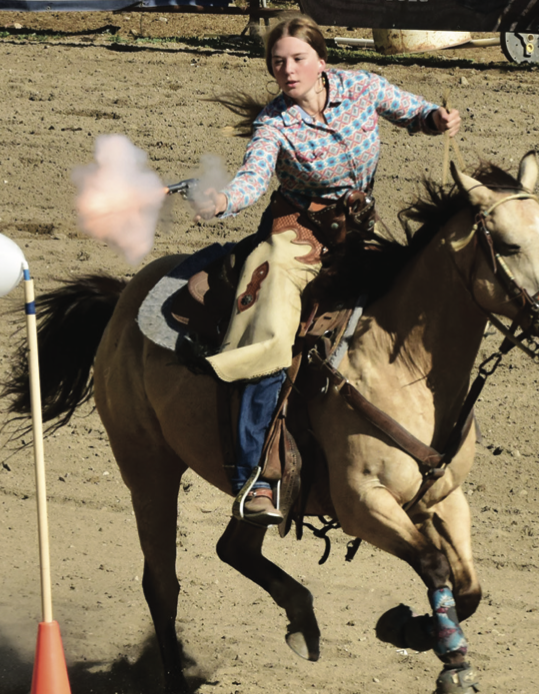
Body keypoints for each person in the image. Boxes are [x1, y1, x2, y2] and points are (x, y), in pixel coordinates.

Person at [194, 14, 461, 527]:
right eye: (277, 63)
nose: (287, 71)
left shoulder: (363, 87)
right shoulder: (274, 122)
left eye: (297, 59)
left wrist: (437, 120)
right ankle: (258, 474)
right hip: (295, 238)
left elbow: (414, 112)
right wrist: (225, 199)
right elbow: (253, 178)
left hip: (356, 235)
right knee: (269, 330)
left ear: (322, 59)